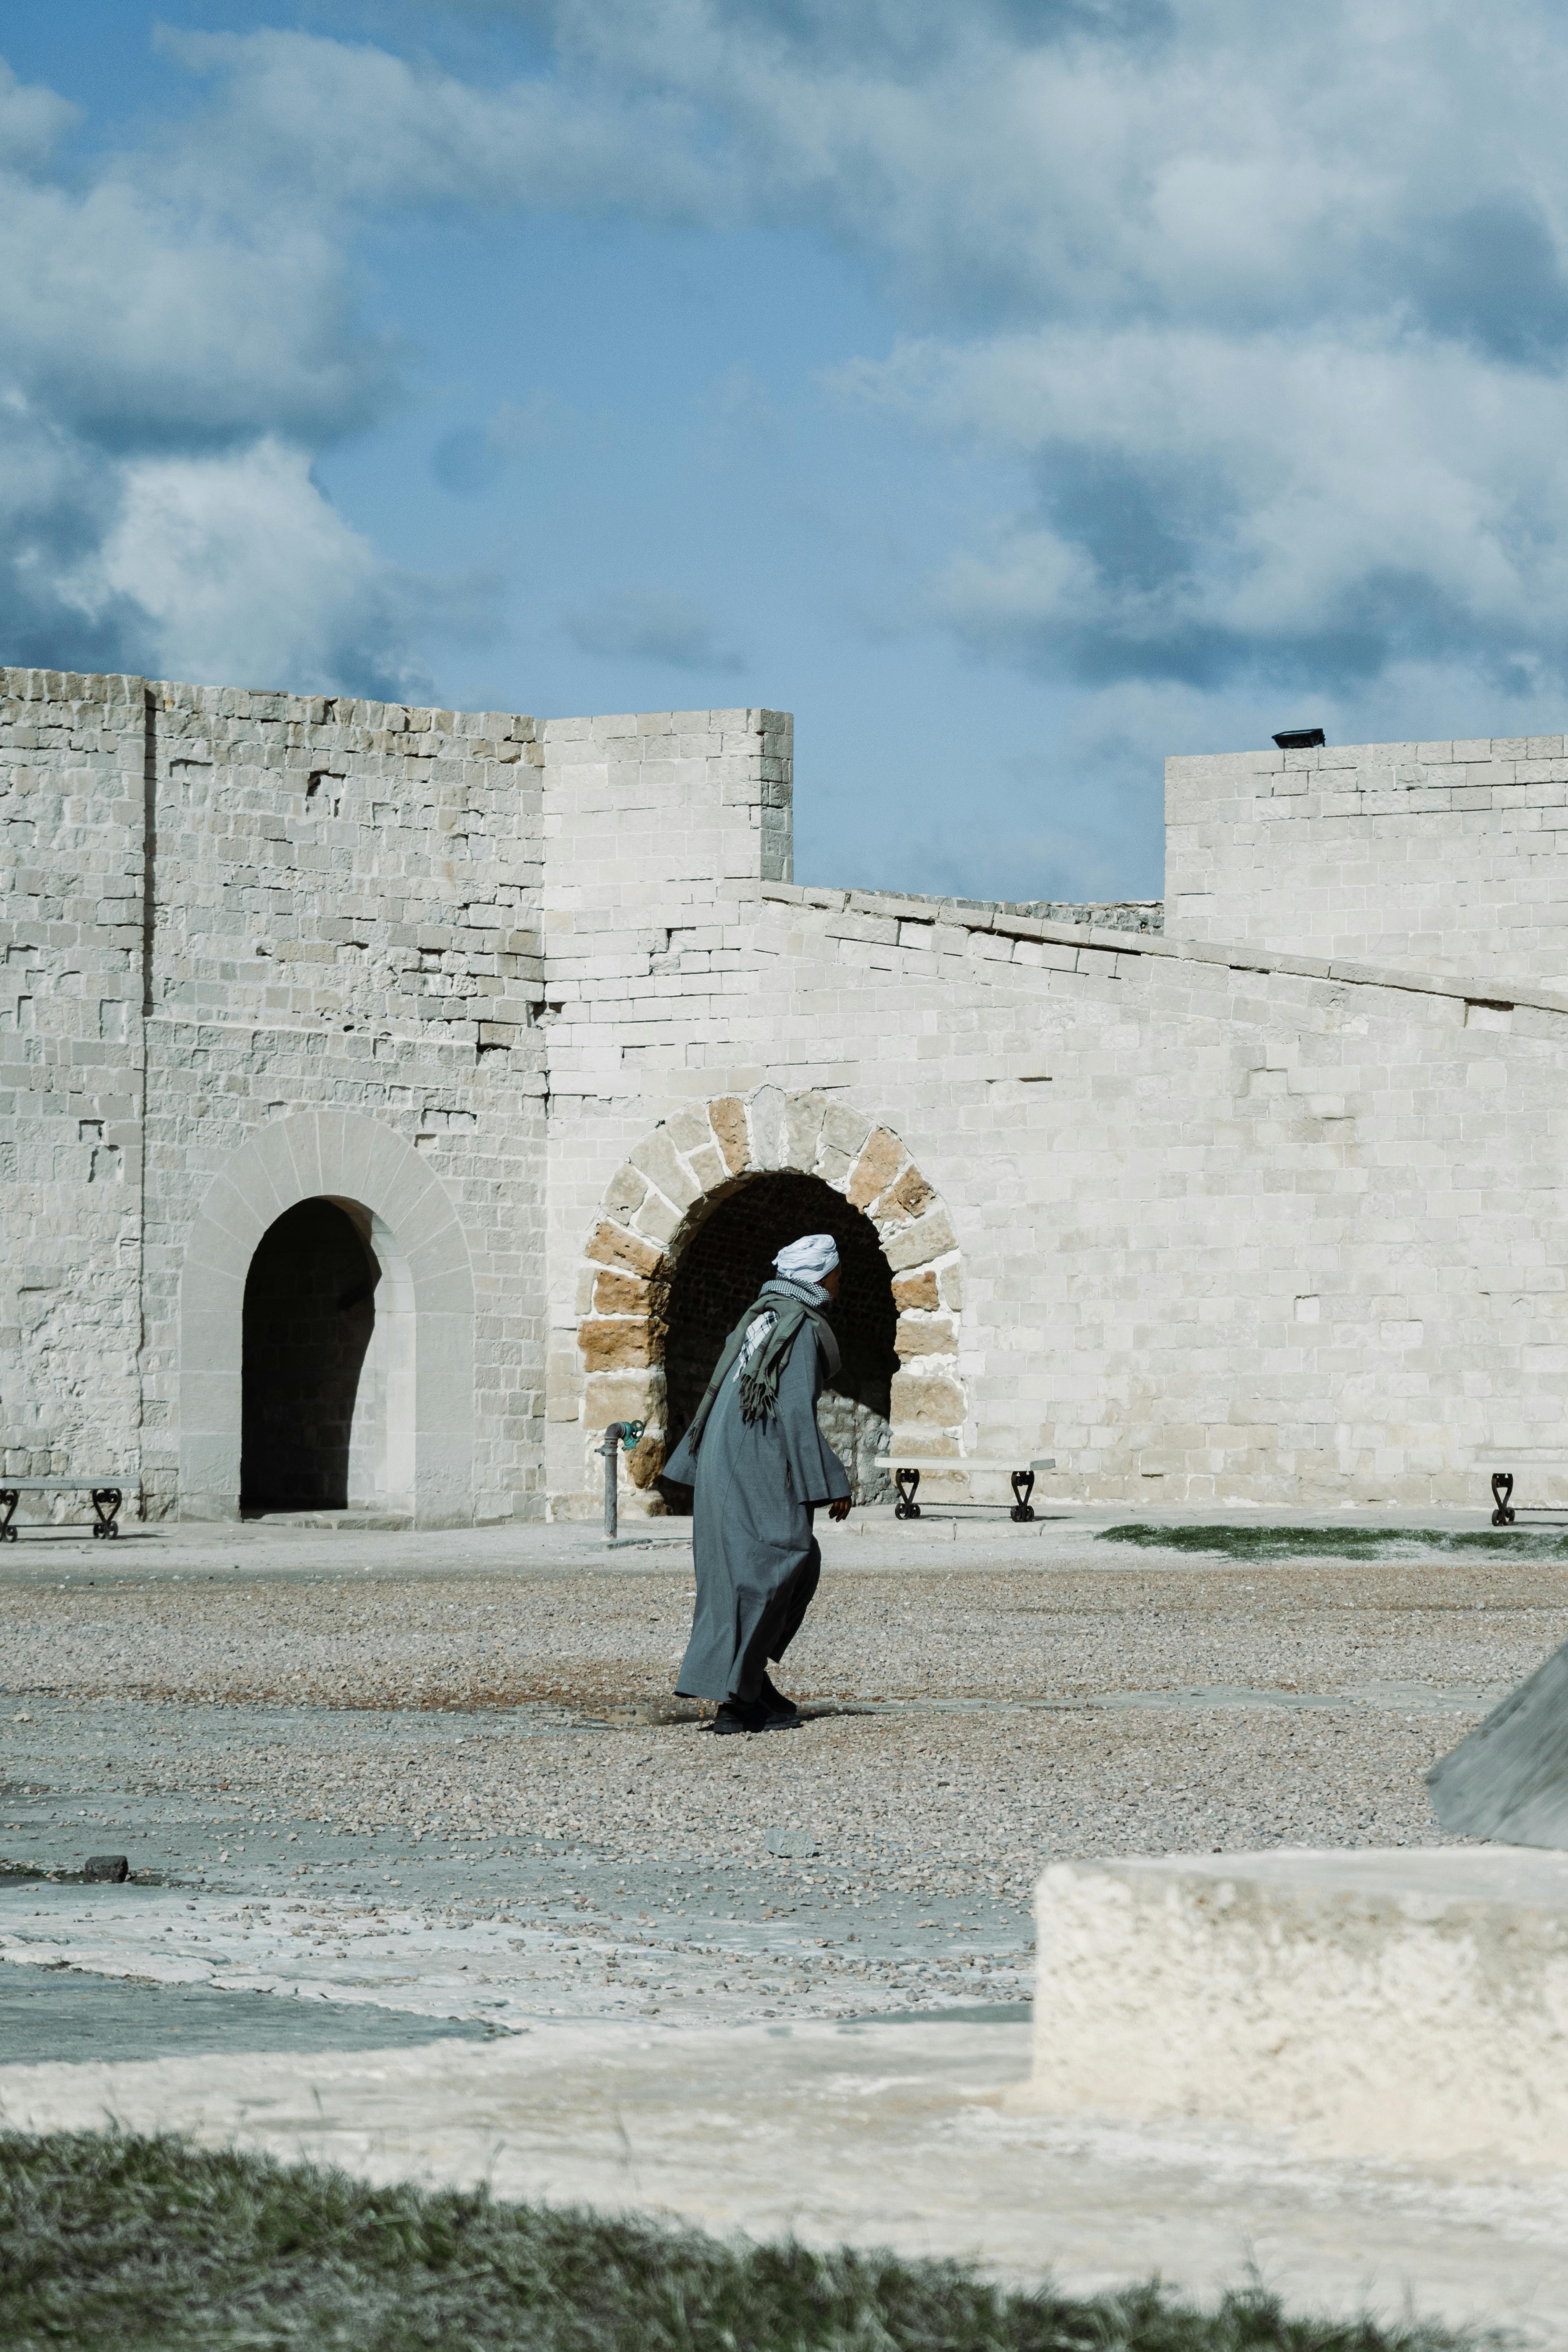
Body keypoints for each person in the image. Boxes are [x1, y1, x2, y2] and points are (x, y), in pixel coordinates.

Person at [664, 1232, 853, 1735]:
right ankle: (738, 1703)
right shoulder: (798, 1328)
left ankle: (749, 1684)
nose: (840, 1282)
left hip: (724, 1461)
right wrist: (833, 1481)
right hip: (754, 1466)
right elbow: (794, 1412)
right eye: (837, 1273)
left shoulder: (763, 1317)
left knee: (753, 1573)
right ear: (821, 1276)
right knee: (776, 1564)